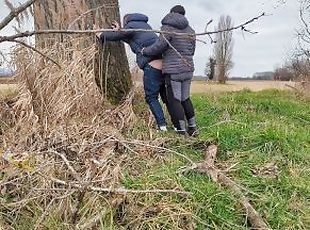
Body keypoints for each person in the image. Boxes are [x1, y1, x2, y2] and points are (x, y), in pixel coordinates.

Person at [95, 14, 169, 131]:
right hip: (164, 67)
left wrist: (102, 34)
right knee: (166, 96)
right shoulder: (146, 27)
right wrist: (119, 30)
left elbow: (120, 36)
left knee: (151, 98)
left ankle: (162, 126)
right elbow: (130, 38)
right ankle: (177, 125)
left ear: (127, 21)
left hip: (152, 67)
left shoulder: (132, 26)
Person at [141, 5, 198, 136]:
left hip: (174, 71)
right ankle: (193, 128)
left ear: (172, 13)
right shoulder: (191, 30)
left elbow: (158, 47)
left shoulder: (168, 28)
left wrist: (145, 51)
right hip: (188, 69)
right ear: (184, 14)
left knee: (175, 100)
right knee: (185, 98)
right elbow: (192, 51)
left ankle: (181, 131)